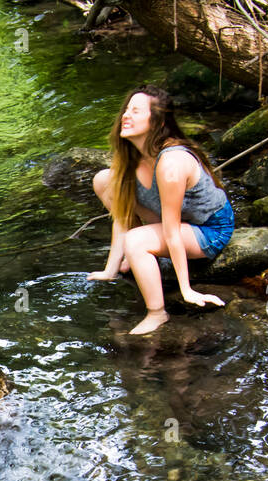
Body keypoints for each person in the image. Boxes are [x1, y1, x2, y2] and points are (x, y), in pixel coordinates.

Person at [87, 84, 234, 335]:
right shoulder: (131, 157)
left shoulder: (171, 163)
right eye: (126, 110)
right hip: (170, 221)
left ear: (156, 121)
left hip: (207, 228)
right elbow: (122, 216)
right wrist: (110, 270)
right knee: (103, 180)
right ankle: (131, 256)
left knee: (136, 240)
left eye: (135, 111)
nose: (125, 115)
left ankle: (157, 313)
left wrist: (185, 288)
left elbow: (172, 229)